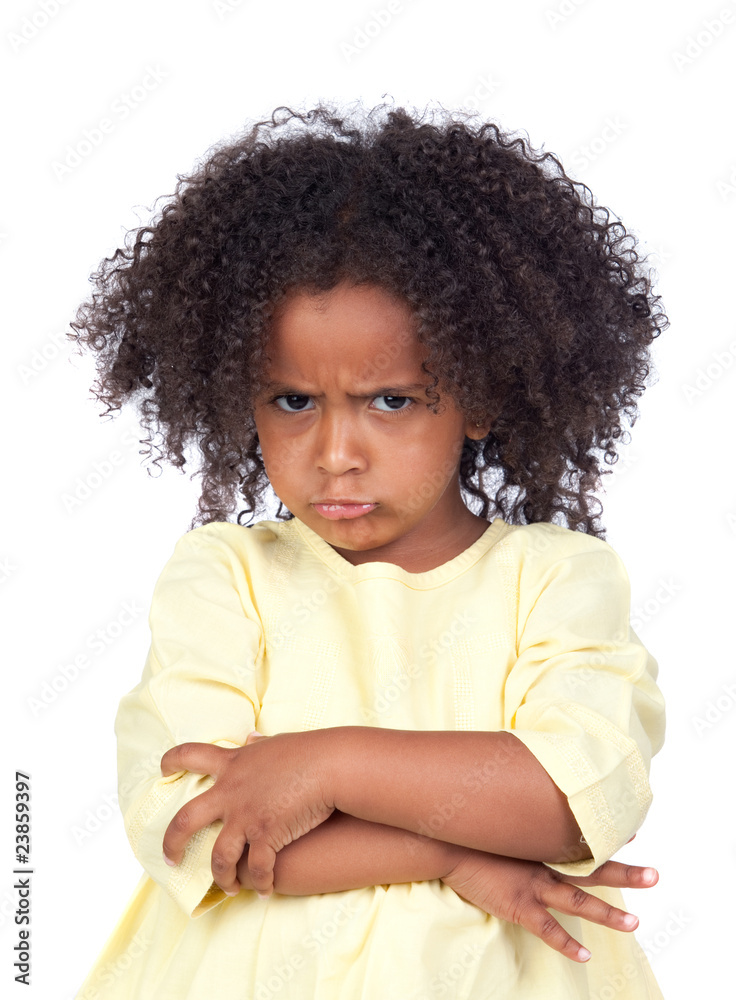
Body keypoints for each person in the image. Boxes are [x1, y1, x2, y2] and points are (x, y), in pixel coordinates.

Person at [70, 102, 667, 999]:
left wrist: (326, 766)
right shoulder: (226, 580)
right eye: (294, 401)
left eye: (391, 401)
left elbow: (570, 800)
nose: (335, 452)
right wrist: (454, 852)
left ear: (481, 396)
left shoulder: (553, 580)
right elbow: (194, 831)